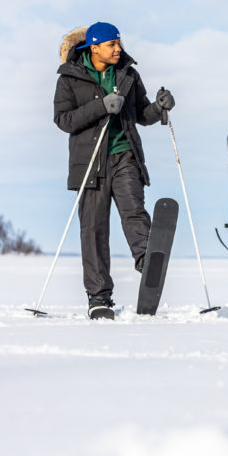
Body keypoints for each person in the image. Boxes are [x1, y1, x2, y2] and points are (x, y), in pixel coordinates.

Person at [53, 22, 174, 320]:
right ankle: (99, 297)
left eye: (119, 43)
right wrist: (101, 107)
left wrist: (159, 108)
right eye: (112, 44)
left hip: (124, 155)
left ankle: (147, 258)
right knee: (93, 230)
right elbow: (63, 120)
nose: (118, 48)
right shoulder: (69, 78)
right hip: (89, 163)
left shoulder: (128, 74)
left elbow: (141, 113)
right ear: (94, 47)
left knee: (134, 209)